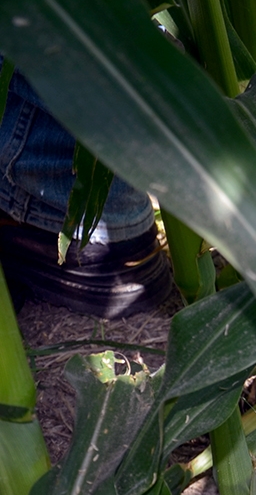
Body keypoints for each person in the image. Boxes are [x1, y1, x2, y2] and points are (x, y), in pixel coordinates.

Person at [0, 63, 172, 319]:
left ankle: (35, 207)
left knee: (40, 28)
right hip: (131, 224)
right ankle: (112, 213)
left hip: (43, 213)